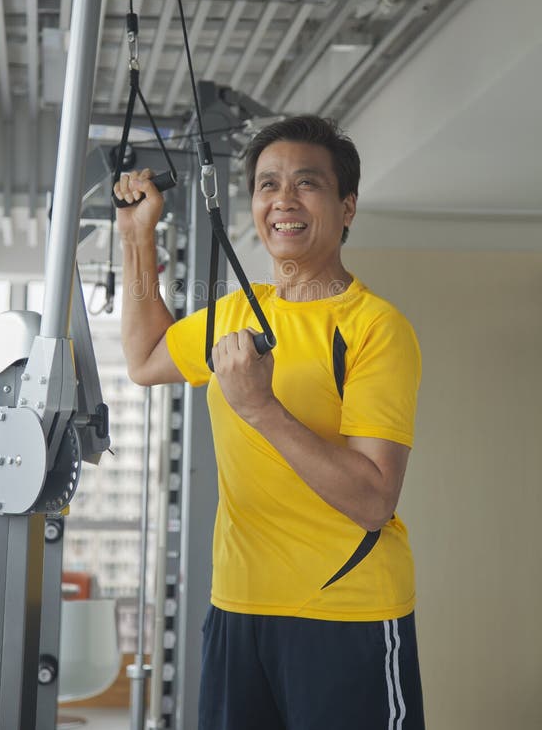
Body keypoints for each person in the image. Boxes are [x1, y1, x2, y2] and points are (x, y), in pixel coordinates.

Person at [114, 114, 426, 730]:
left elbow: (372, 501)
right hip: (238, 607)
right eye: (267, 185)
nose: (283, 200)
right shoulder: (237, 311)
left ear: (347, 207)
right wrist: (136, 237)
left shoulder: (376, 328)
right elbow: (146, 360)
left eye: (307, 184)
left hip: (346, 613)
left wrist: (261, 408)